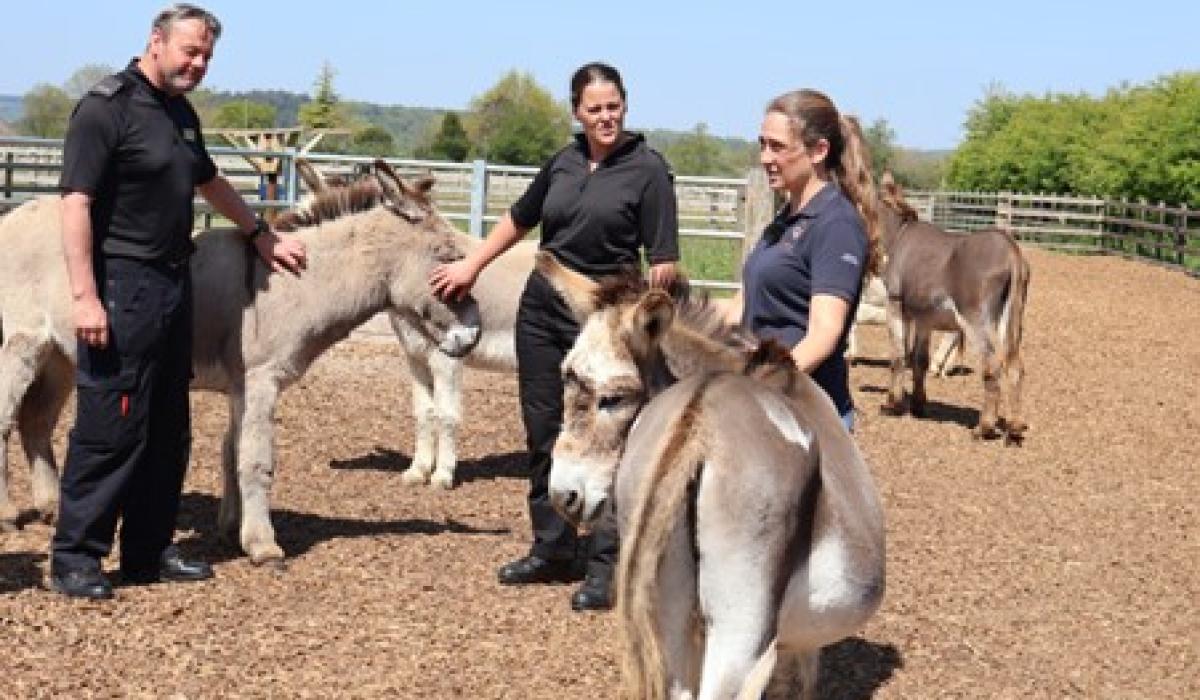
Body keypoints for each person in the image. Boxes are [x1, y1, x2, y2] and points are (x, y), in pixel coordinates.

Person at [50, 3, 307, 600]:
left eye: (207, 56)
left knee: (168, 425)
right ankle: (77, 558)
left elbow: (208, 180)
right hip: (120, 283)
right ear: (156, 42)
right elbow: (75, 204)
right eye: (190, 51)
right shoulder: (105, 108)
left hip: (172, 282)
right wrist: (86, 296)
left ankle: (148, 550)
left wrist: (259, 234)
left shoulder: (178, 111)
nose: (199, 64)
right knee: (110, 423)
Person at [430, 62, 679, 612]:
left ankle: (607, 564)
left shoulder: (649, 172)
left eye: (613, 105)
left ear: (625, 106)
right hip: (542, 308)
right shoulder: (564, 162)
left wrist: (649, 324)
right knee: (544, 426)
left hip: (604, 321)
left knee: (609, 440)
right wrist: (471, 266)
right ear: (577, 112)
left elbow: (663, 262)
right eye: (594, 108)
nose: (605, 116)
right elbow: (518, 220)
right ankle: (551, 547)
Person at [725, 89, 883, 432]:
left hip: (806, 413)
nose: (765, 157)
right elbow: (740, 306)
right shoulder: (786, 218)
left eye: (777, 147)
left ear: (819, 151)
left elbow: (823, 335)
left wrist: (761, 385)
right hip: (764, 404)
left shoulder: (836, 224)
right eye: (762, 144)